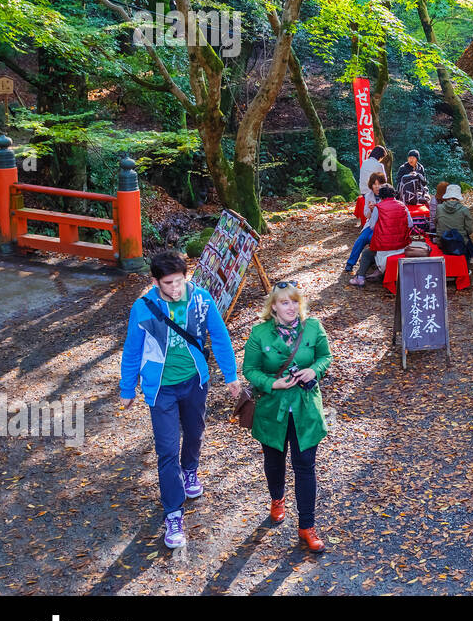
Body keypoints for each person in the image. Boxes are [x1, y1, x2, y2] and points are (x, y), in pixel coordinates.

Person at [120, 250, 241, 549]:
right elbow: (132, 349)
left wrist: (231, 375)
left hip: (194, 383)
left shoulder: (201, 300)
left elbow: (220, 335)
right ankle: (173, 512)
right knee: (166, 450)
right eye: (168, 284)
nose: (175, 289)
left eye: (179, 282)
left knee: (195, 432)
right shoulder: (144, 307)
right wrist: (127, 388)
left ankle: (190, 470)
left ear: (188, 276)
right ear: (155, 282)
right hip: (160, 388)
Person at [240, 281, 331, 553]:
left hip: (306, 410)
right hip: (272, 410)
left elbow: (325, 357)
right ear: (274, 307)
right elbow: (250, 369)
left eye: (294, 301)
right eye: (284, 302)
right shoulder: (259, 334)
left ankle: (307, 526)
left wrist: (314, 370)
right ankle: (277, 499)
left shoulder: (313, 327)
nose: (290, 307)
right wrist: (272, 384)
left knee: (305, 466)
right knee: (274, 460)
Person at [351, 184, 414, 286]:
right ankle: (377, 273)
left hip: (384, 248)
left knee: (367, 253)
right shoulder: (403, 206)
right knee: (371, 250)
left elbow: (371, 226)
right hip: (402, 246)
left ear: (380, 196)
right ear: (394, 194)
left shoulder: (378, 207)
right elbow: (410, 224)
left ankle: (360, 278)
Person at [343, 171, 386, 275]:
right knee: (361, 239)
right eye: (374, 184)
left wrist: (377, 208)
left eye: (379, 184)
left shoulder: (386, 194)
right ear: (371, 185)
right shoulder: (368, 195)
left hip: (382, 226)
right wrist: (371, 210)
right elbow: (366, 214)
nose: (377, 187)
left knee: (373, 239)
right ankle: (350, 264)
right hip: (370, 224)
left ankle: (373, 263)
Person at [436, 183, 473, 262]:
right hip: (459, 242)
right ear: (458, 197)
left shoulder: (439, 208)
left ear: (447, 196)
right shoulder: (464, 210)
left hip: (442, 240)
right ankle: (470, 257)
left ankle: (472, 254)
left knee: (460, 234)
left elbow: (436, 223)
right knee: (463, 235)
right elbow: (469, 230)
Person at [355, 146, 388, 224]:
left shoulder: (364, 162)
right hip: (373, 192)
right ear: (380, 156)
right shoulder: (379, 165)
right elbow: (384, 180)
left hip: (363, 191)